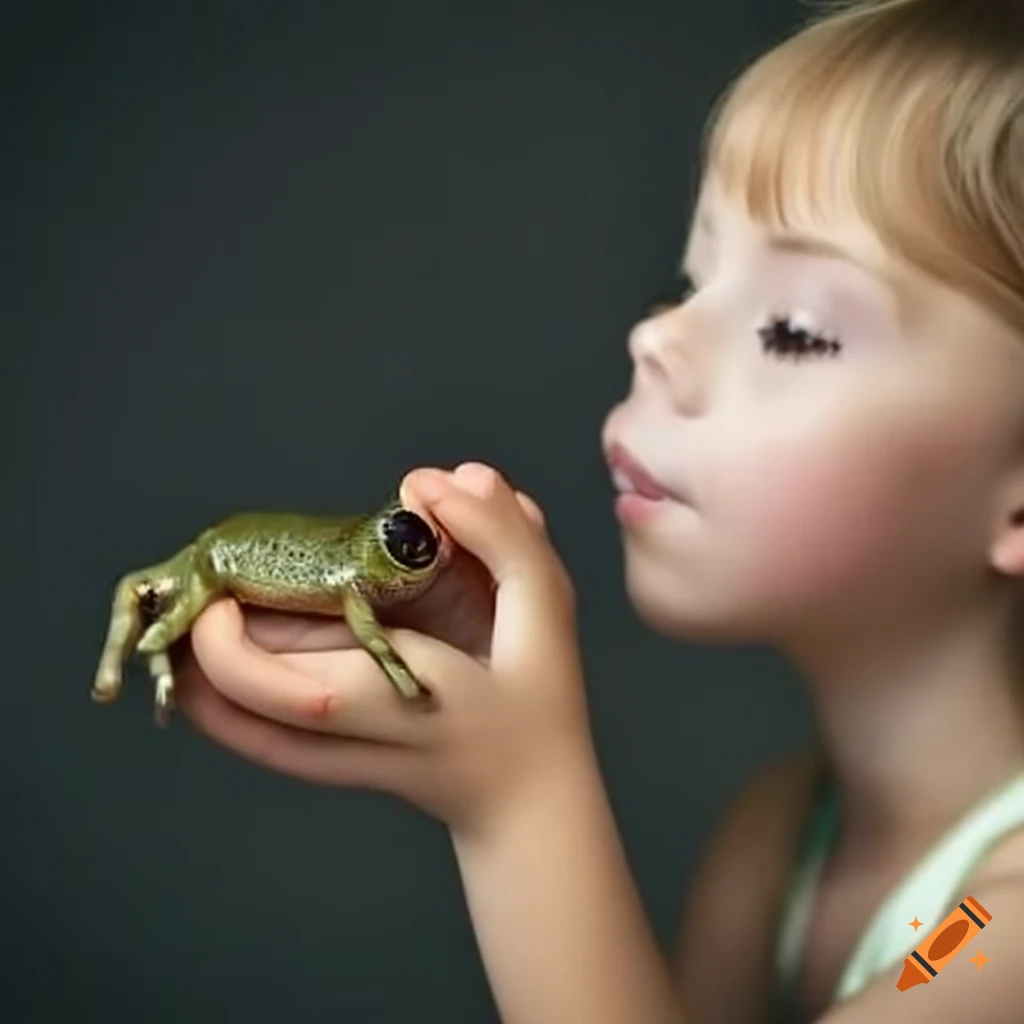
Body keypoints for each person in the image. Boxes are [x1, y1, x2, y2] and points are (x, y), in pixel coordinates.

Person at [173, 1, 1024, 1020]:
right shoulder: (776, 842)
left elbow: (954, 958)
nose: (653, 336)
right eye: (689, 281)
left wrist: (518, 802)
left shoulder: (986, 935)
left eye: (794, 329)